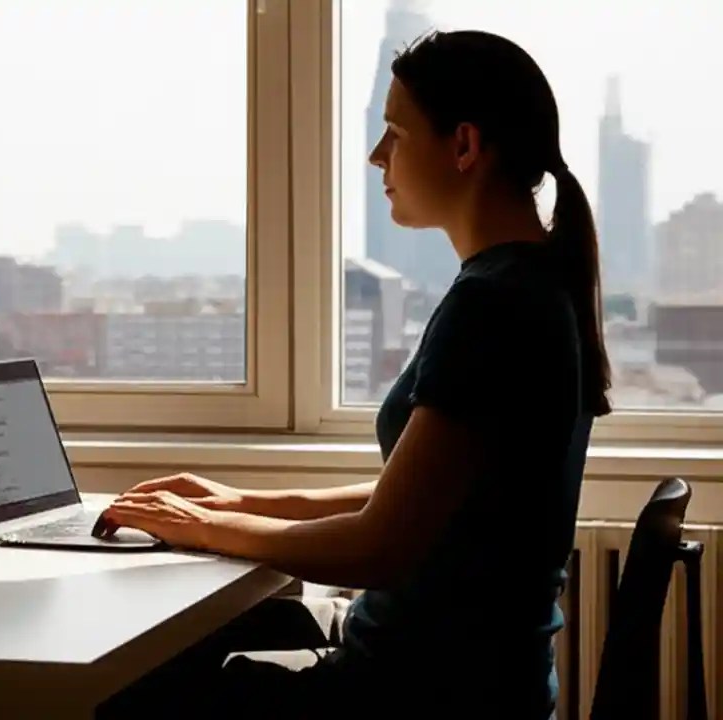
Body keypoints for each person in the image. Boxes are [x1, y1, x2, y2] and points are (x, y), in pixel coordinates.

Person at [95, 29, 610, 720]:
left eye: (395, 132)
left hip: (414, 699)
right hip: (469, 686)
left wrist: (200, 527)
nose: (376, 156)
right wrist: (236, 504)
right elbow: (417, 499)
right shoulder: (532, 287)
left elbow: (378, 547)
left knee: (116, 698)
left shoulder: (495, 304)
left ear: (464, 147)